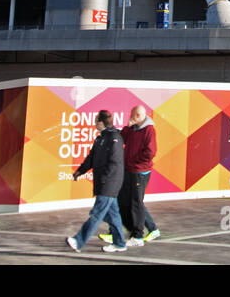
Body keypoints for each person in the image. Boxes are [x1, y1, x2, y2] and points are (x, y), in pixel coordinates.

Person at [66, 110, 128, 254]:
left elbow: (115, 163)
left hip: (110, 183)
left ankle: (78, 241)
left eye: (96, 121)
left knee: (97, 213)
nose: (94, 124)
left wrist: (105, 180)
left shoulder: (115, 139)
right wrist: (80, 171)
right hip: (104, 183)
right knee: (113, 214)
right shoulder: (100, 139)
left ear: (101, 122)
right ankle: (119, 243)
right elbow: (91, 158)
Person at [101, 104, 161, 245]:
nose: (130, 117)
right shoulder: (133, 129)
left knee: (135, 203)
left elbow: (151, 152)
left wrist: (134, 162)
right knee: (125, 201)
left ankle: (137, 235)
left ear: (139, 116)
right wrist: (128, 127)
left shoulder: (149, 130)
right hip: (129, 170)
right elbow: (123, 138)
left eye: (133, 115)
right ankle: (149, 229)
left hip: (139, 172)